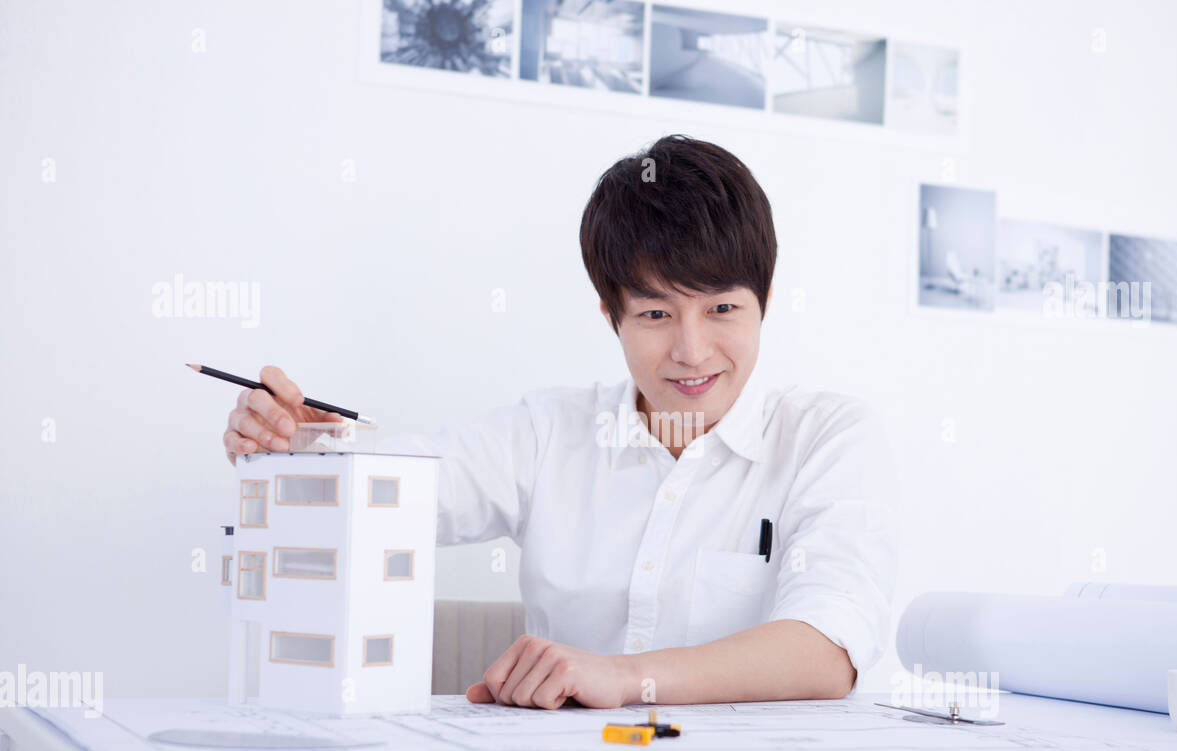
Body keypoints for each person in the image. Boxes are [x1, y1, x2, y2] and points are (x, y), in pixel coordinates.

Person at [221, 134, 899, 710]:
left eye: (722, 310)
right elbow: (403, 489)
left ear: (765, 302)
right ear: (612, 316)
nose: (692, 350)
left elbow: (827, 650)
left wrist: (624, 677)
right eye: (656, 315)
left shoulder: (828, 438)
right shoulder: (550, 433)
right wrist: (306, 447)